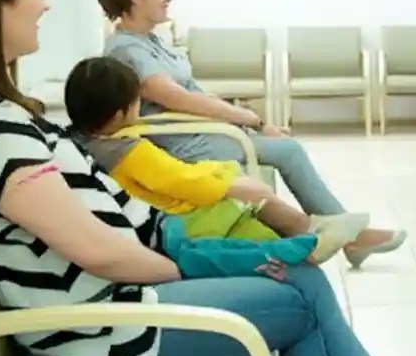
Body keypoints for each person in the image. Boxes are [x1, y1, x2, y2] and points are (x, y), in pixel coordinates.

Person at [0, 0, 372, 356]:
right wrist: (193, 267)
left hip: (119, 296)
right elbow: (99, 251)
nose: (45, 5)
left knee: (303, 280)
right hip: (106, 327)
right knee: (304, 294)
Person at [99, 0, 405, 269]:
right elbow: (175, 97)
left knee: (285, 147)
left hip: (198, 130)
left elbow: (194, 92)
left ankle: (347, 236)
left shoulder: (151, 41)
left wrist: (249, 121)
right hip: (179, 141)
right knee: (287, 150)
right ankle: (349, 237)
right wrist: (250, 120)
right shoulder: (126, 48)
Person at [63, 55, 369, 264]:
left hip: (167, 212)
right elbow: (181, 181)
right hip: (183, 223)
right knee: (252, 218)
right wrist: (230, 183)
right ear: (119, 114)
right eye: (136, 103)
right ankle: (311, 246)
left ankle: (318, 232)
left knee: (251, 200)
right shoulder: (129, 152)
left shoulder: (85, 143)